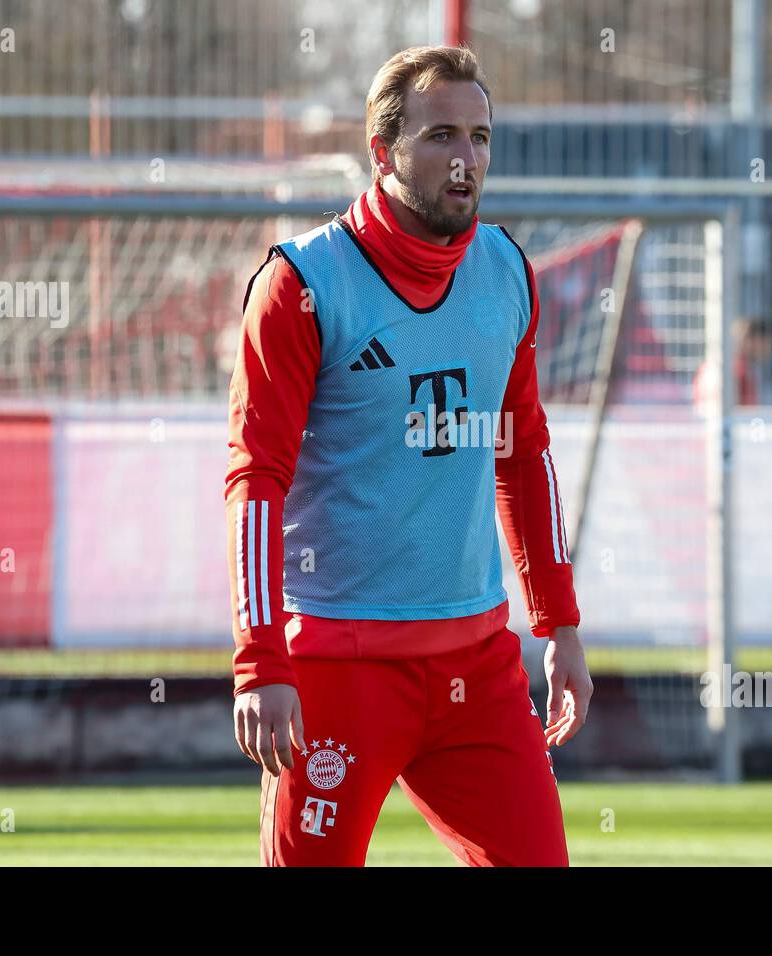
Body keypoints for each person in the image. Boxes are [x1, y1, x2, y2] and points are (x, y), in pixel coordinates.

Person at [225, 45, 592, 866]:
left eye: (481, 137)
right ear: (382, 152)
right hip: (339, 672)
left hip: (480, 671)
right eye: (441, 137)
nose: (467, 160)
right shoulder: (301, 285)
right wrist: (260, 662)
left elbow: (523, 453)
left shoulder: (505, 269)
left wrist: (559, 622)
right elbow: (256, 479)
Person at [693, 315, 772, 409]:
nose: (769, 350)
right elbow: (745, 411)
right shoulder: (738, 370)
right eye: (768, 344)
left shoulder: (714, 363)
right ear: (755, 341)